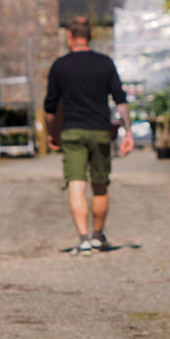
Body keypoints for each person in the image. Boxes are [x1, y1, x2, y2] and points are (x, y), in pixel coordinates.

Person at [44, 16, 134, 254]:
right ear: (90, 37)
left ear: (70, 37)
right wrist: (128, 132)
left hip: (72, 131)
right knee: (100, 185)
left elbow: (51, 106)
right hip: (100, 131)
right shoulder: (105, 63)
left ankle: (83, 239)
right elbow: (121, 100)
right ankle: (97, 236)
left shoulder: (60, 66)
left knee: (76, 183)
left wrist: (51, 134)